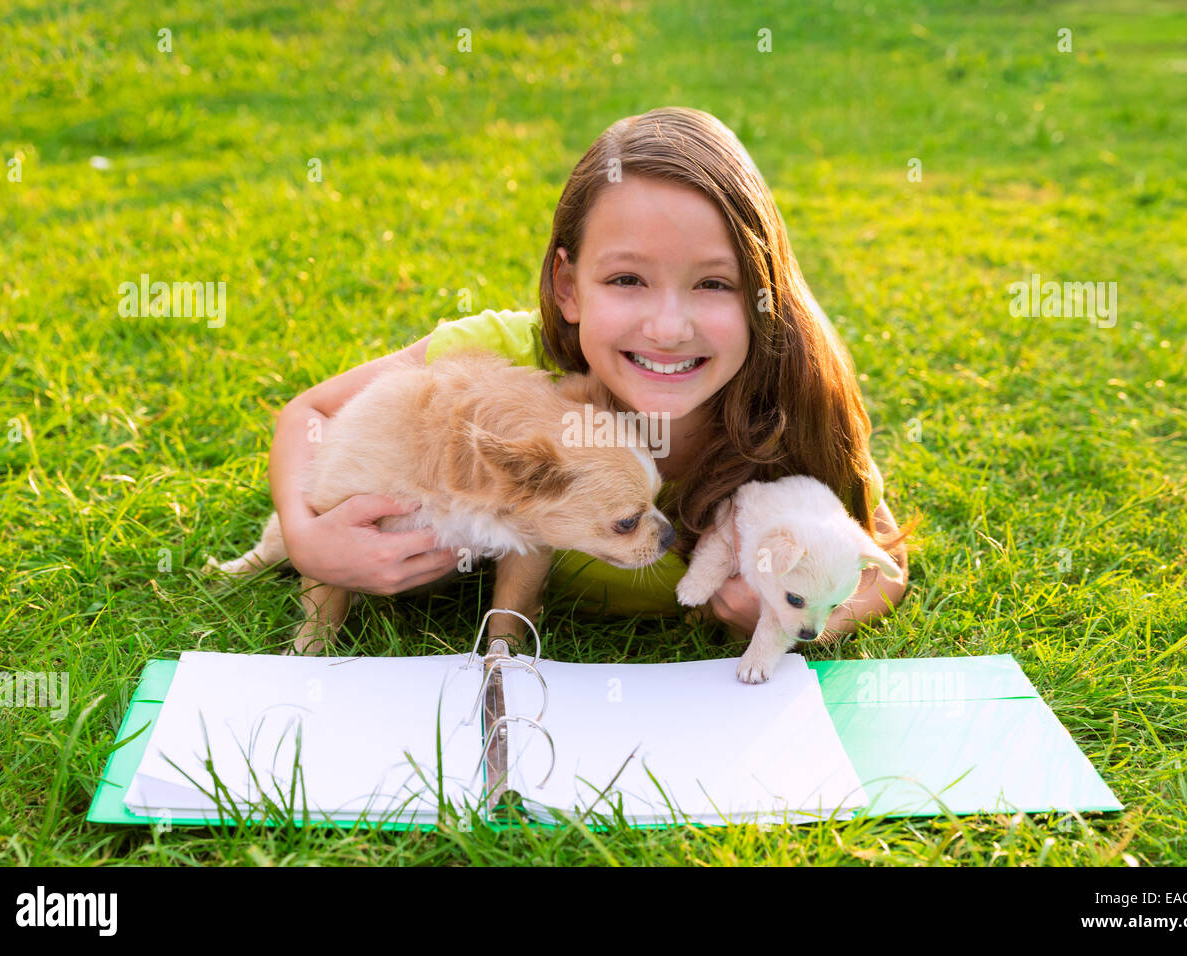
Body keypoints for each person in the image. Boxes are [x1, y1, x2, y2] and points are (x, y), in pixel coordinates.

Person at [267, 106, 915, 646]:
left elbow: (883, 557)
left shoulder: (783, 411)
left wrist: (817, 620)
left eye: (714, 284)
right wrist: (306, 538)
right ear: (568, 286)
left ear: (761, 297)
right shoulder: (504, 361)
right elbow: (310, 416)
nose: (668, 327)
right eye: (627, 280)